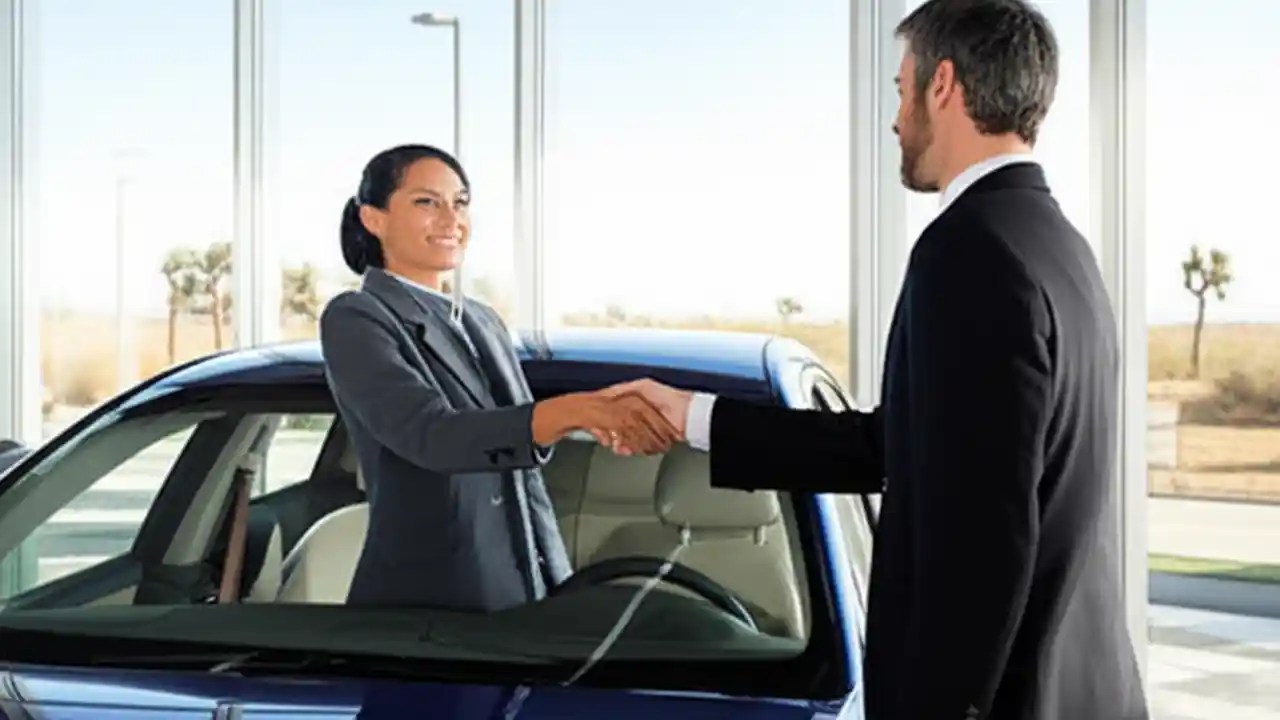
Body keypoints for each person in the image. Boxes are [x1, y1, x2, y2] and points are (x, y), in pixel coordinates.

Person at [603, 2, 1149, 718]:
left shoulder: (970, 251)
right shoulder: (1059, 247)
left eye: (901, 88)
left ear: (943, 84)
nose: (896, 119)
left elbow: (985, 536)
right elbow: (900, 447)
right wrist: (694, 418)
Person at [320, 144, 679, 612]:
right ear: (374, 219)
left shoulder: (482, 320)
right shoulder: (356, 318)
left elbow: (520, 470)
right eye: (427, 202)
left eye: (461, 202)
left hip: (524, 597)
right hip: (423, 617)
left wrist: (554, 585)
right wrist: (574, 411)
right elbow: (433, 435)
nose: (451, 218)